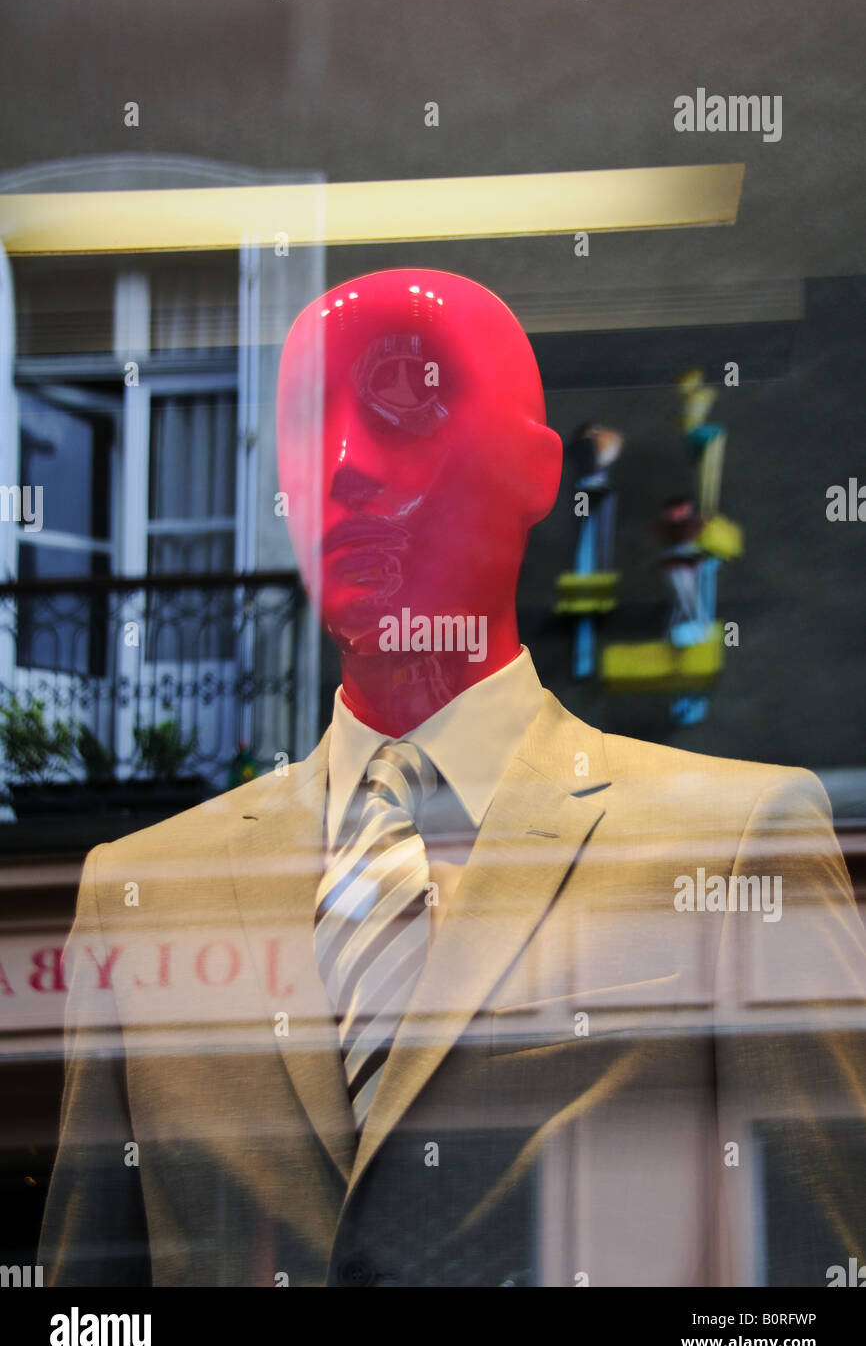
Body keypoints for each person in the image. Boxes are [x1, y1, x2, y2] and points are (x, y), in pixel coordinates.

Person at [40, 269, 866, 1287]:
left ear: (533, 469)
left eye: (401, 403)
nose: (341, 464)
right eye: (307, 425)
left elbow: (818, 1277)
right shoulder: (138, 894)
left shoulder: (736, 842)